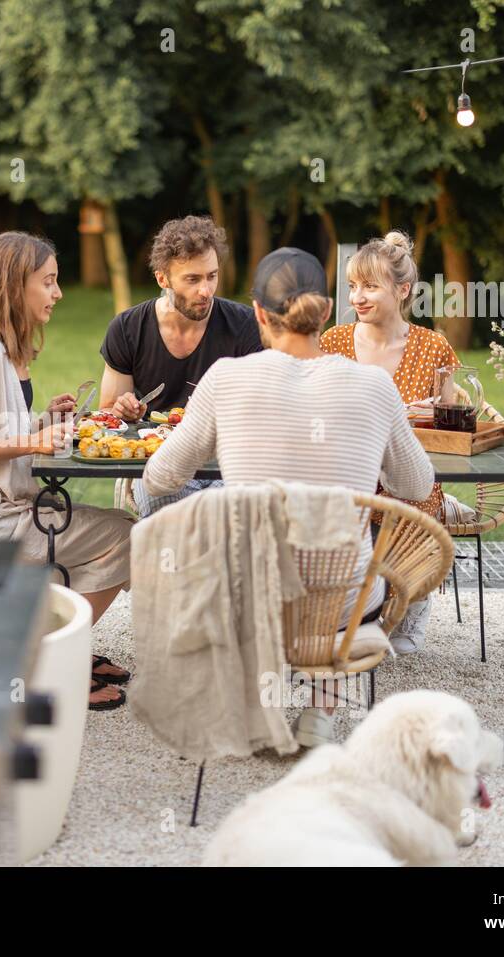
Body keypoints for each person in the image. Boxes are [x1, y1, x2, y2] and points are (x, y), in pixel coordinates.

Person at [141, 247, 435, 747]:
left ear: (257, 312)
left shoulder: (226, 379)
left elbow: (160, 477)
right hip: (344, 605)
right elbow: (418, 487)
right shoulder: (374, 387)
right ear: (326, 311)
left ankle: (256, 700)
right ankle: (321, 711)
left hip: (247, 598)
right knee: (338, 571)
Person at [0, 231, 135, 710]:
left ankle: (60, 640)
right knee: (127, 537)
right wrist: (33, 440)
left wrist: (41, 421)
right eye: (49, 282)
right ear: (16, 286)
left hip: (1, 511)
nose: (58, 293)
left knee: (115, 530)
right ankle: (51, 658)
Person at [320, 230, 475, 654]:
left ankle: (414, 594)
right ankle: (357, 605)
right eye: (353, 287)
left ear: (403, 289)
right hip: (349, 478)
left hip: (408, 482)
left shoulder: (433, 347)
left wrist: (418, 418)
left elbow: (446, 433)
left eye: (370, 286)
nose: (358, 297)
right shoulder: (332, 342)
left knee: (417, 496)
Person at [97, 215, 262, 517]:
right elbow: (107, 414)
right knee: (172, 519)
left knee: (234, 512)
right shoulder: (128, 328)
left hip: (223, 465)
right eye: (192, 279)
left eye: (212, 276)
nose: (206, 290)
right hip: (157, 464)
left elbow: (258, 415)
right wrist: (123, 410)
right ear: (163, 279)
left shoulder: (243, 325)